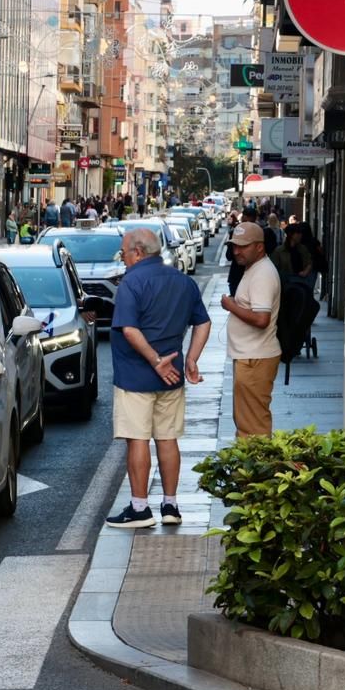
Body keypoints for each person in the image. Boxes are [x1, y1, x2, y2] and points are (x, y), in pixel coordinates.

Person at [104, 226, 212, 529]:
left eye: (124, 253)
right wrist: (191, 359)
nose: (123, 258)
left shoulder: (132, 283)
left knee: (137, 439)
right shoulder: (183, 281)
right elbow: (203, 323)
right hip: (172, 377)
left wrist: (155, 361)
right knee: (167, 439)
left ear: (138, 253)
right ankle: (170, 505)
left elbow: (129, 329)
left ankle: (139, 509)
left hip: (135, 377)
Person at [222, 222, 281, 436]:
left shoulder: (262, 274)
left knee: (252, 427)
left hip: (255, 358)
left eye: (243, 246)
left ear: (259, 247)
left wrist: (231, 306)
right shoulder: (253, 269)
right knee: (247, 422)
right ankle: (250, 466)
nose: (237, 251)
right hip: (250, 356)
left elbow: (261, 319)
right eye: (234, 245)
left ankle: (255, 468)